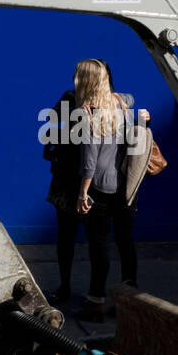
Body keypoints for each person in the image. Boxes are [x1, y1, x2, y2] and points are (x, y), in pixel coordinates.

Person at [73, 60, 148, 322]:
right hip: (127, 187)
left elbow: (89, 161)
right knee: (126, 242)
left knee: (100, 246)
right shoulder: (121, 104)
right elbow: (131, 96)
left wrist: (83, 193)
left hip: (100, 189)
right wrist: (122, 99)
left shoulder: (85, 113)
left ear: (84, 81)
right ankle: (129, 300)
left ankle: (95, 304)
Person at [42, 61, 115, 302]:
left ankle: (77, 290)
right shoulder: (101, 101)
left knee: (74, 236)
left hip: (77, 178)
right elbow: (51, 124)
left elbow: (51, 124)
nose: (73, 77)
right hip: (83, 179)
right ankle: (91, 293)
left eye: (77, 74)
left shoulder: (93, 101)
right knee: (88, 238)